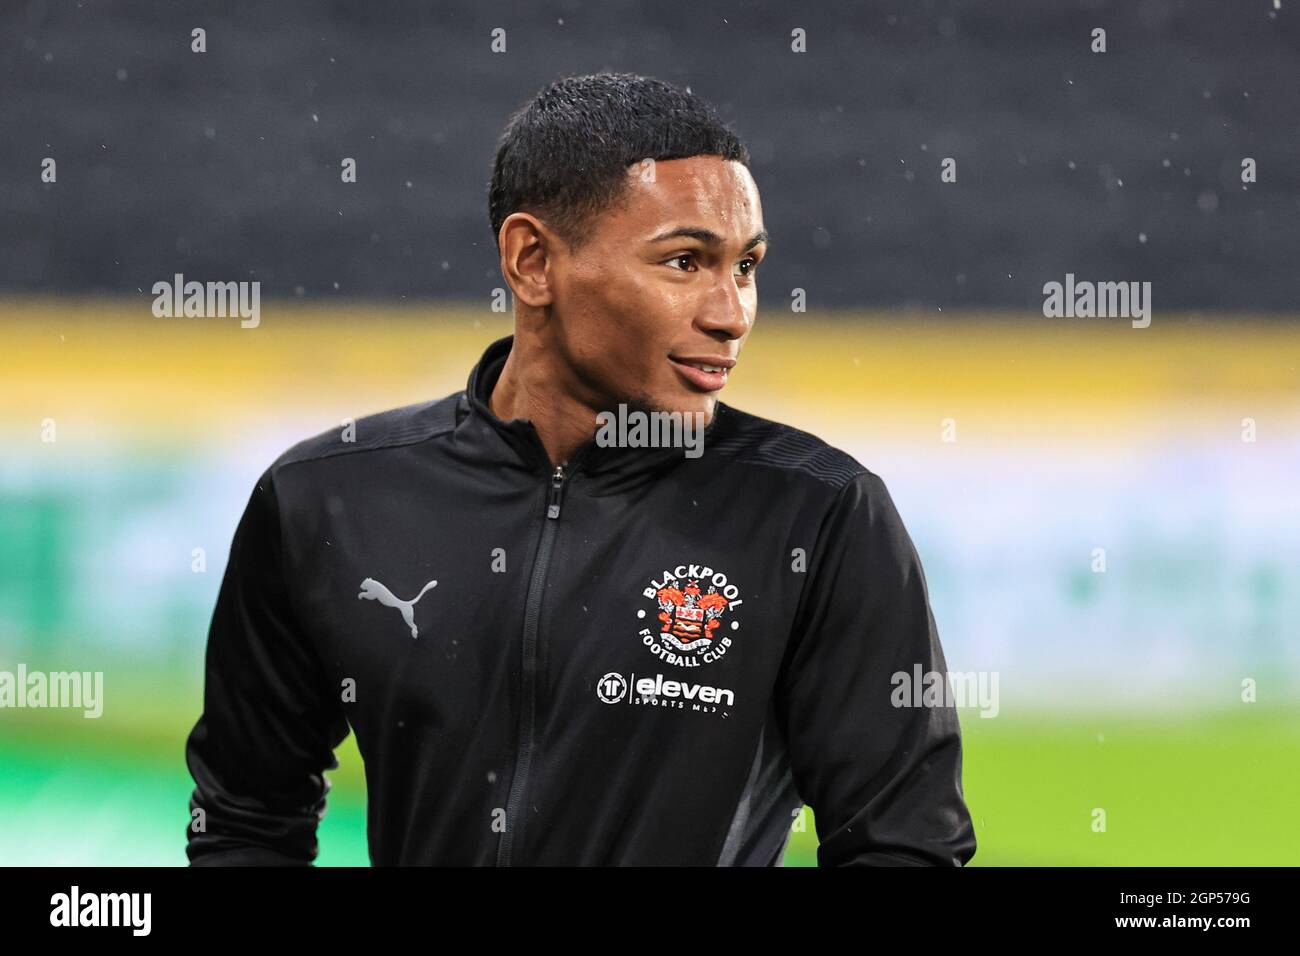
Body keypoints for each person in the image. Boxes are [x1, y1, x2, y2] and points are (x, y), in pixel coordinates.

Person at [184, 71, 976, 866]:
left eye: (745, 266)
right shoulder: (328, 499)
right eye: (684, 262)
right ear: (532, 261)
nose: (731, 313)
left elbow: (902, 843)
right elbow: (246, 820)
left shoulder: (821, 512)